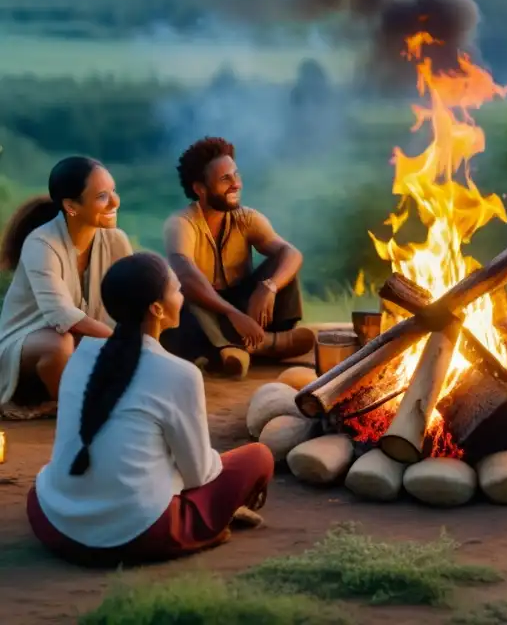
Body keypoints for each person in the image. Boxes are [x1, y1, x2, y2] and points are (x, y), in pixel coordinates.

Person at [26, 252, 274, 567]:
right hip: (137, 534)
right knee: (258, 456)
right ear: (157, 309)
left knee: (46, 483)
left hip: (57, 524)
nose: (182, 295)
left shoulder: (82, 352)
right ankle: (206, 527)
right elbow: (198, 474)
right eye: (177, 290)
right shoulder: (180, 373)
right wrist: (179, 464)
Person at [161, 137, 315, 376]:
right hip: (204, 312)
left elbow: (292, 253)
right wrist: (231, 314)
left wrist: (269, 287)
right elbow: (185, 274)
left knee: (282, 264)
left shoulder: (247, 219)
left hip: (245, 308)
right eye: (225, 179)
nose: (236, 184)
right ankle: (264, 345)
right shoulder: (181, 224)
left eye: (236, 175)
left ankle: (234, 350)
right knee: (183, 295)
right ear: (200, 188)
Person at [0, 157, 132, 418]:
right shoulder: (41, 243)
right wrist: (121, 343)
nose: (115, 202)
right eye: (102, 196)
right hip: (27, 350)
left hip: (84, 341)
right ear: (71, 206)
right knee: (59, 343)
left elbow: (134, 299)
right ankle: (74, 410)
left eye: (113, 191)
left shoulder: (116, 241)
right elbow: (61, 315)